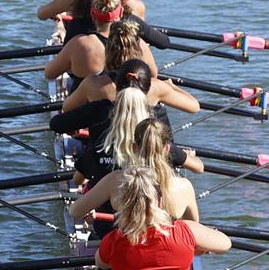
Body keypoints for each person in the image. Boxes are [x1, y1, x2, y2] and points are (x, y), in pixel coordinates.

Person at [92, 168, 230, 270]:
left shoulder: (113, 240)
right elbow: (225, 244)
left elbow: (101, 263)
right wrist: (196, 249)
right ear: (160, 201)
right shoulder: (186, 231)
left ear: (121, 203)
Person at [50, 58, 197, 181]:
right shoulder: (156, 128)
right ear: (147, 89)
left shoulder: (101, 112)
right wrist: (185, 157)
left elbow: (56, 124)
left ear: (117, 86)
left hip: (106, 196)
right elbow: (199, 167)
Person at [71, 114, 203, 225]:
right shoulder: (184, 186)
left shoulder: (116, 180)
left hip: (128, 251)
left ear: (133, 147)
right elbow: (193, 227)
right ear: (167, 149)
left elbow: (75, 211)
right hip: (167, 252)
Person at [42, 0, 157, 81]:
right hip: (125, 102)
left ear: (92, 14)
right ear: (121, 12)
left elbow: (49, 74)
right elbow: (153, 74)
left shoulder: (79, 44)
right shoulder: (138, 43)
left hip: (84, 102)